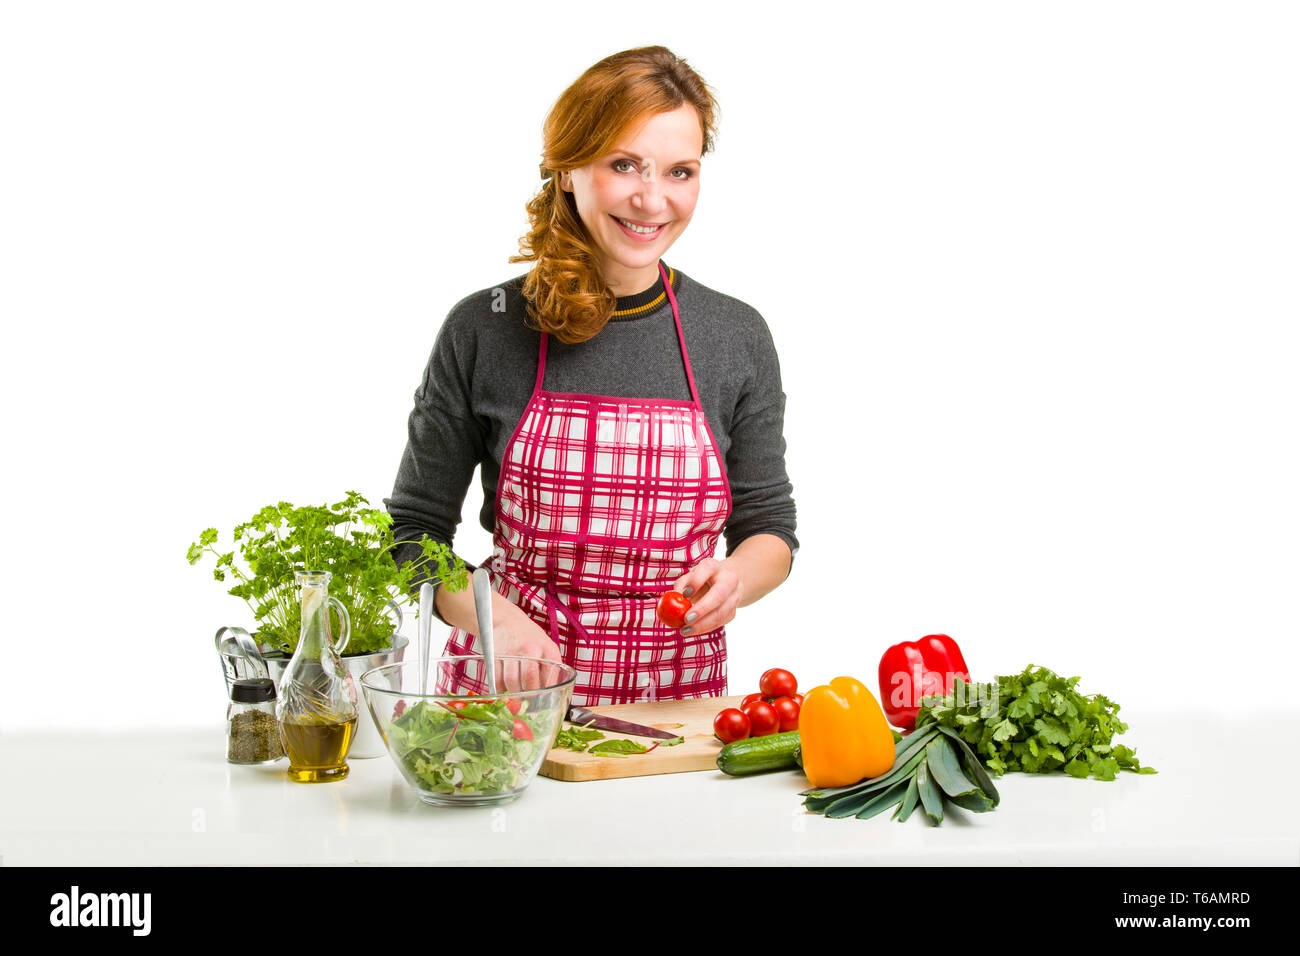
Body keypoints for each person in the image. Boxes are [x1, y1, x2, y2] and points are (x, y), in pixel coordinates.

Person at [385, 46, 798, 705]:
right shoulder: (486, 326)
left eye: (680, 171)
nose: (652, 198)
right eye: (623, 164)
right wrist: (488, 617)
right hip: (506, 710)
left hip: (678, 713)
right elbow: (413, 535)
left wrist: (737, 579)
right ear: (568, 167)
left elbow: (770, 528)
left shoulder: (734, 335)